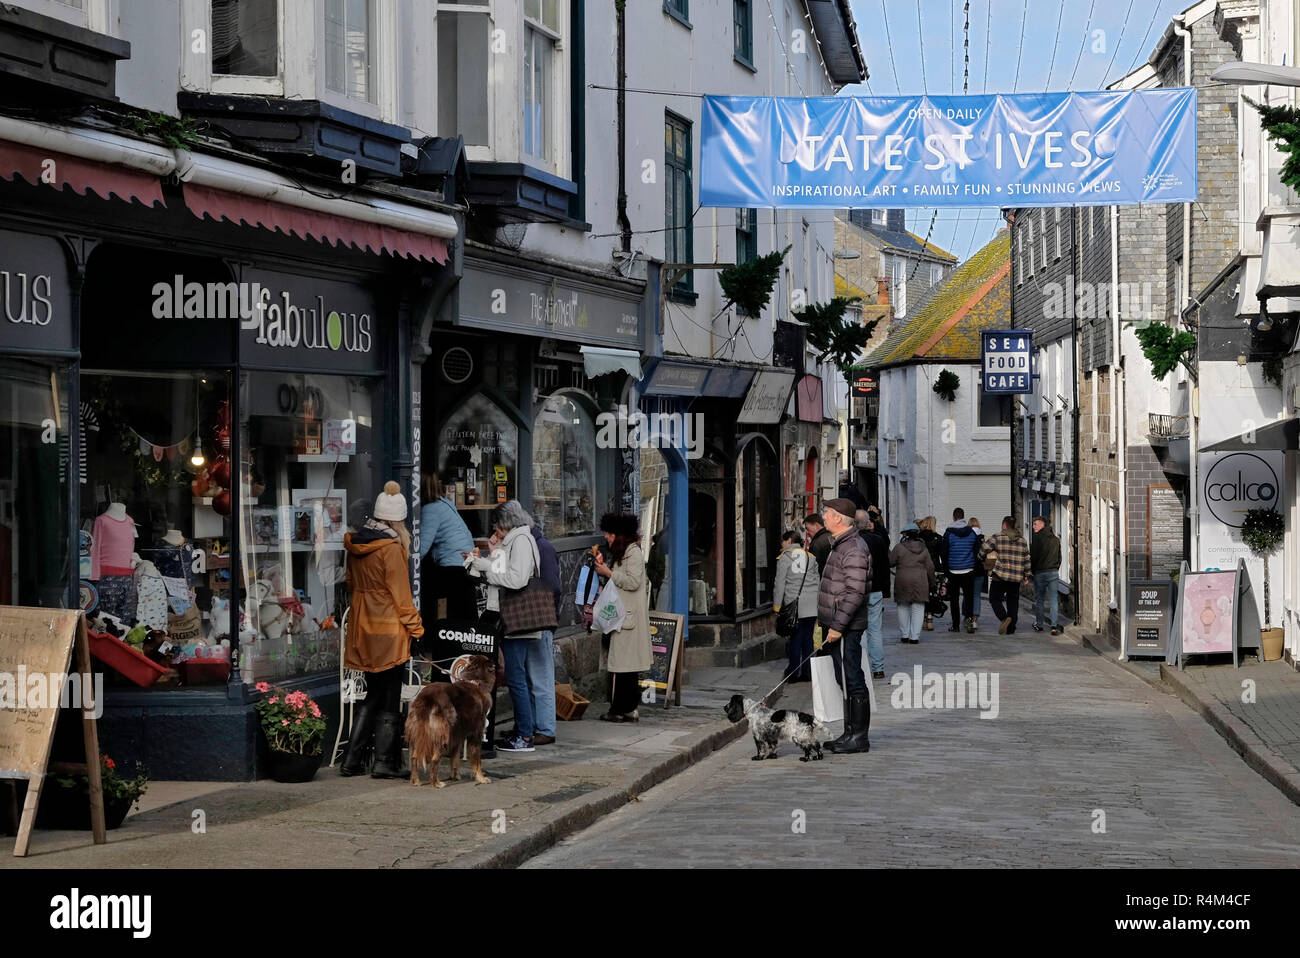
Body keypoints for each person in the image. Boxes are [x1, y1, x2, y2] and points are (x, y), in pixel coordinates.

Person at [340, 481, 424, 778]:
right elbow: (402, 597)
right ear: (398, 519)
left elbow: (350, 584)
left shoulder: (356, 543)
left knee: (372, 692)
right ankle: (384, 761)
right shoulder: (391, 549)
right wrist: (417, 630)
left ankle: (352, 760)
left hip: (363, 625)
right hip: (389, 628)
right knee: (389, 693)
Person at [467, 500, 546, 753]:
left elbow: (517, 578)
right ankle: (522, 731)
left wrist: (487, 570)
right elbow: (506, 570)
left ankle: (525, 735)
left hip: (517, 617)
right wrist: (489, 559)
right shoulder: (515, 540)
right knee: (516, 677)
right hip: (511, 617)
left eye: (498, 527)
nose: (496, 532)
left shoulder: (521, 541)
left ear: (506, 524)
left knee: (516, 678)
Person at [815, 498, 872, 755]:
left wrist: (837, 626)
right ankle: (849, 731)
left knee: (852, 678)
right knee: (844, 678)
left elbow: (855, 591)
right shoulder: (840, 543)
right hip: (839, 622)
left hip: (847, 624)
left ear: (839, 518)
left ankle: (858, 737)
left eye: (827, 512)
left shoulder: (854, 548)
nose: (824, 516)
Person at [593, 513, 652, 722]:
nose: (607, 537)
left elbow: (633, 582)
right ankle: (626, 708)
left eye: (610, 533)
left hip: (628, 619)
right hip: (621, 616)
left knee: (622, 668)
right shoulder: (622, 552)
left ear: (619, 535)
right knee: (623, 667)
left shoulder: (632, 553)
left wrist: (608, 573)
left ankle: (619, 709)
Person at [419, 472, 476, 622]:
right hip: (466, 563)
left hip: (452, 567)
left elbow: (421, 549)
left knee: (449, 616)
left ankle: (434, 639)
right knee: (465, 618)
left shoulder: (430, 510)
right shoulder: (445, 503)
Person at [527, 517, 562, 745]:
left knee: (541, 677)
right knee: (533, 676)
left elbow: (554, 588)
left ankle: (546, 728)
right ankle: (534, 725)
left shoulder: (542, 548)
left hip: (541, 620)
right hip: (536, 620)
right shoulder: (535, 545)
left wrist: (549, 617)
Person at [774, 530, 820, 683]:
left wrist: (777, 606)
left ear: (788, 541)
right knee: (807, 640)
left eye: (783, 541)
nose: (782, 544)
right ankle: (807, 672)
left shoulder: (784, 558)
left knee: (795, 639)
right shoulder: (810, 557)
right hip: (812, 605)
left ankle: (793, 672)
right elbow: (817, 581)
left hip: (795, 606)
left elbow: (779, 584)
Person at [978, 516, 1032, 635]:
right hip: (1016, 577)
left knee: (994, 598)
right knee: (1013, 602)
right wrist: (1027, 575)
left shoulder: (997, 537)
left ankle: (1004, 618)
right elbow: (1027, 559)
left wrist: (982, 559)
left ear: (1004, 525)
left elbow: (983, 550)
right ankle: (1011, 627)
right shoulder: (1022, 541)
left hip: (1000, 575)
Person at [856, 509, 891, 679]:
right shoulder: (878, 540)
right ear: (868, 523)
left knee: (860, 629)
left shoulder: (853, 541)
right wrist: (886, 589)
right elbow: (885, 566)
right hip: (876, 589)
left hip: (858, 589)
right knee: (875, 629)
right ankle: (878, 668)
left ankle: (862, 666)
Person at [891, 522, 936, 645]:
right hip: (920, 581)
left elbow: (890, 562)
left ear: (905, 534)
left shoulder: (899, 548)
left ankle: (905, 635)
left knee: (903, 607)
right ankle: (915, 636)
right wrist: (933, 583)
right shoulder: (924, 549)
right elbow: (930, 567)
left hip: (902, 579)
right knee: (918, 608)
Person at [941, 507, 980, 634]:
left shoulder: (948, 533)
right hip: (968, 569)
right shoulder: (972, 533)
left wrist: (946, 570)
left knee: (954, 599)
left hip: (953, 570)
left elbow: (944, 553)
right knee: (968, 597)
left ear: (953, 517)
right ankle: (969, 621)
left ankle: (955, 625)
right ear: (963, 517)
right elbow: (976, 551)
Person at [1030, 516, 1063, 635]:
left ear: (1042, 525)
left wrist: (1032, 571)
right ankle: (1054, 626)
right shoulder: (1056, 539)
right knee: (1054, 599)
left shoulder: (1037, 538)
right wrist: (1056, 568)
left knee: (1040, 599)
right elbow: (1059, 558)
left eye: (1035, 524)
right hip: (1053, 572)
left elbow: (1033, 557)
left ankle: (1039, 625)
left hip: (1040, 572)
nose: (1033, 526)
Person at [916, 516, 944, 631]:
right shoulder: (938, 538)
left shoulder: (918, 538)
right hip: (935, 568)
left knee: (922, 595)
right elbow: (942, 556)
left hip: (920, 569)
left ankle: (922, 619)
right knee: (933, 594)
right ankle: (930, 620)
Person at [968, 517, 986, 623]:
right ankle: (975, 616)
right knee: (977, 594)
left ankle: (967, 615)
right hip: (980, 568)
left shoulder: (967, 536)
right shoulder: (982, 538)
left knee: (967, 593)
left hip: (969, 568)